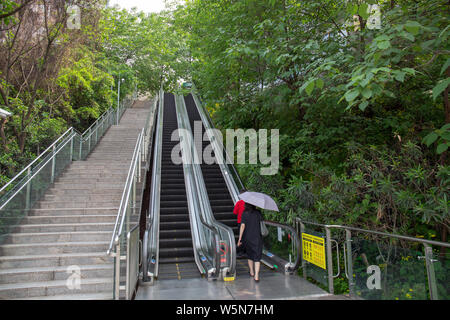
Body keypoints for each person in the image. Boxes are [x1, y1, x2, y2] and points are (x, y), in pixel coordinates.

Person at [237, 203, 263, 282]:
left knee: (250, 255)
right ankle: (256, 276)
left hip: (247, 238)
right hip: (257, 237)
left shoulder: (245, 214)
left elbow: (242, 226)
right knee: (257, 257)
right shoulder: (258, 213)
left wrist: (240, 239)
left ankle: (251, 271)